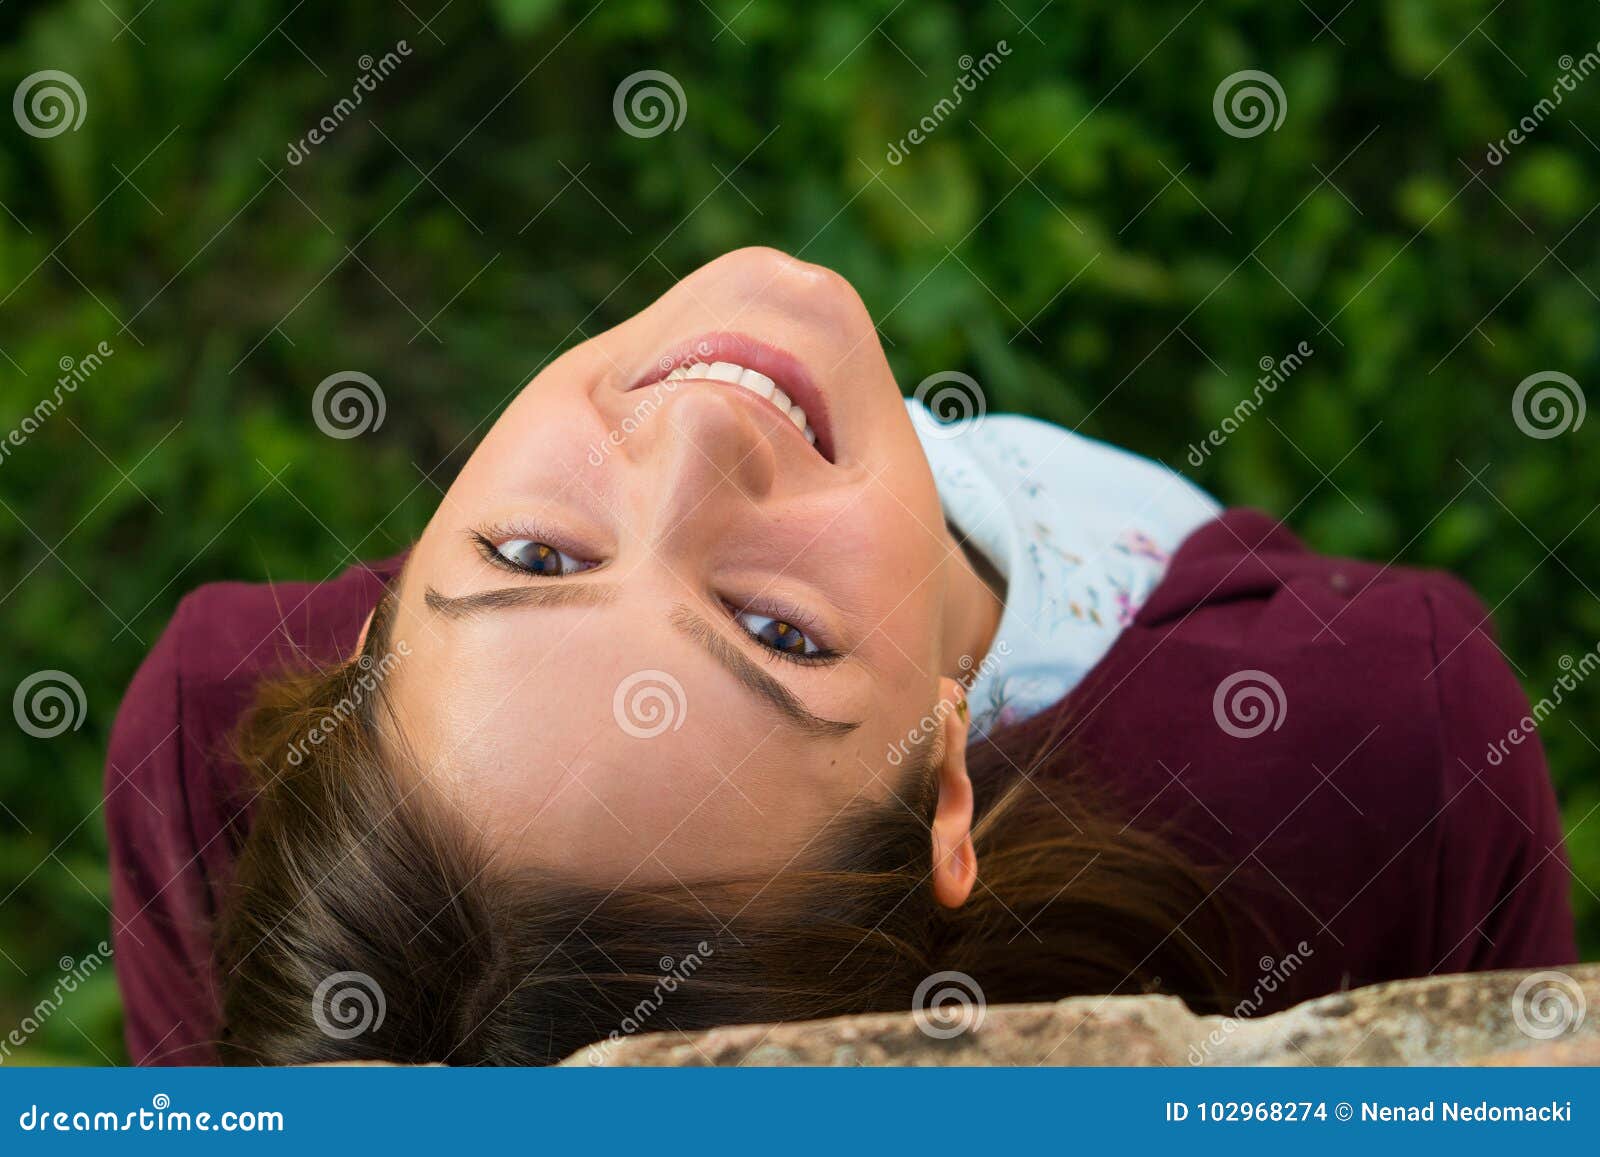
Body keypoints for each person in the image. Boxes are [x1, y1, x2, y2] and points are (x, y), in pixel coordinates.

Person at [105, 247, 1576, 1066]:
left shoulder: (216, 739)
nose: (696, 440)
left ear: (360, 640)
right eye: (776, 634)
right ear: (948, 784)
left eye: (535, 558)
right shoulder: (1372, 739)